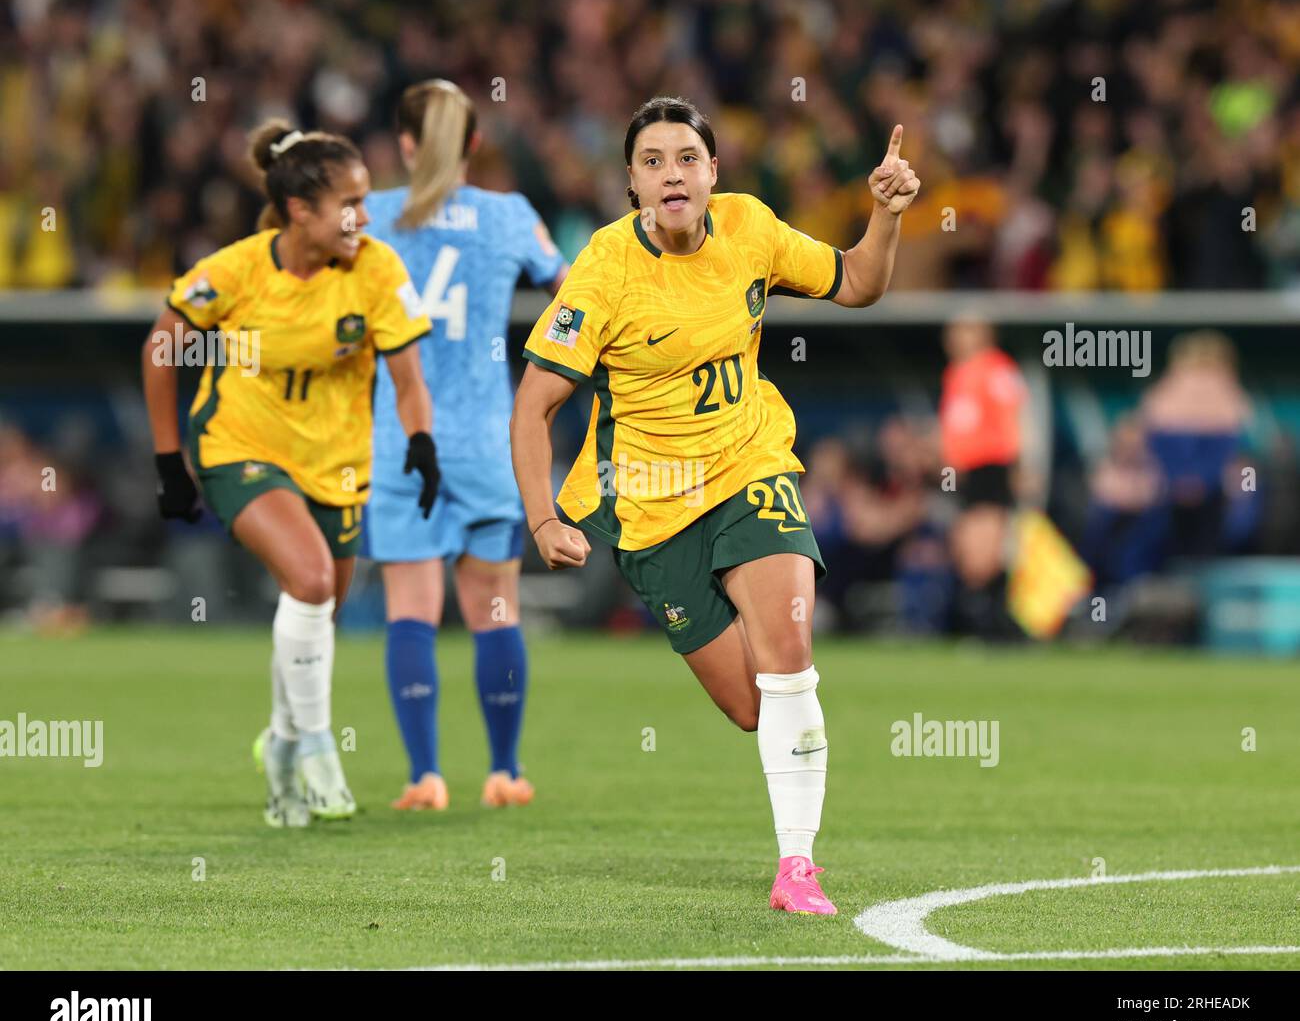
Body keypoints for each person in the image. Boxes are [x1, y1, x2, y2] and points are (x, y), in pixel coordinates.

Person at [510, 96, 919, 915]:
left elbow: (861, 282)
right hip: (649, 508)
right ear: (631, 182)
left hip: (749, 465)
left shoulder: (752, 229)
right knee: (748, 704)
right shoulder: (601, 270)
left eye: (687, 158)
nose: (672, 173)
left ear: (713, 173)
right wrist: (545, 517)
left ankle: (796, 867)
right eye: (653, 160)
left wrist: (884, 212)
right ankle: (791, 806)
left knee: (789, 652)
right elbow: (533, 407)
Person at [142, 121, 438, 827]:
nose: (365, 217)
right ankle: (314, 745)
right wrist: (167, 459)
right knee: (307, 581)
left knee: (318, 613)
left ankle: (277, 744)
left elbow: (407, 379)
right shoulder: (236, 272)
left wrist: (422, 441)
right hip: (239, 444)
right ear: (301, 209)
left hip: (335, 462)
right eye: (351, 203)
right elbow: (161, 348)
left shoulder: (377, 268)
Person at [363, 79, 567, 811]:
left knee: (410, 609)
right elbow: (571, 293)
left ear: (405, 145)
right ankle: (505, 770)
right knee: (497, 609)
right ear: (475, 144)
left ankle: (424, 775)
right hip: (488, 437)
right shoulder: (508, 216)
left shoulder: (372, 216)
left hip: (399, 435)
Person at [938, 315, 1026, 638]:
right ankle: (991, 621)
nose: (954, 338)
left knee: (985, 551)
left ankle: (1000, 624)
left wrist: (1017, 467)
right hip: (963, 473)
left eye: (963, 330)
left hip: (992, 467)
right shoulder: (955, 374)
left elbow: (1011, 419)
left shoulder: (996, 368)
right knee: (967, 550)